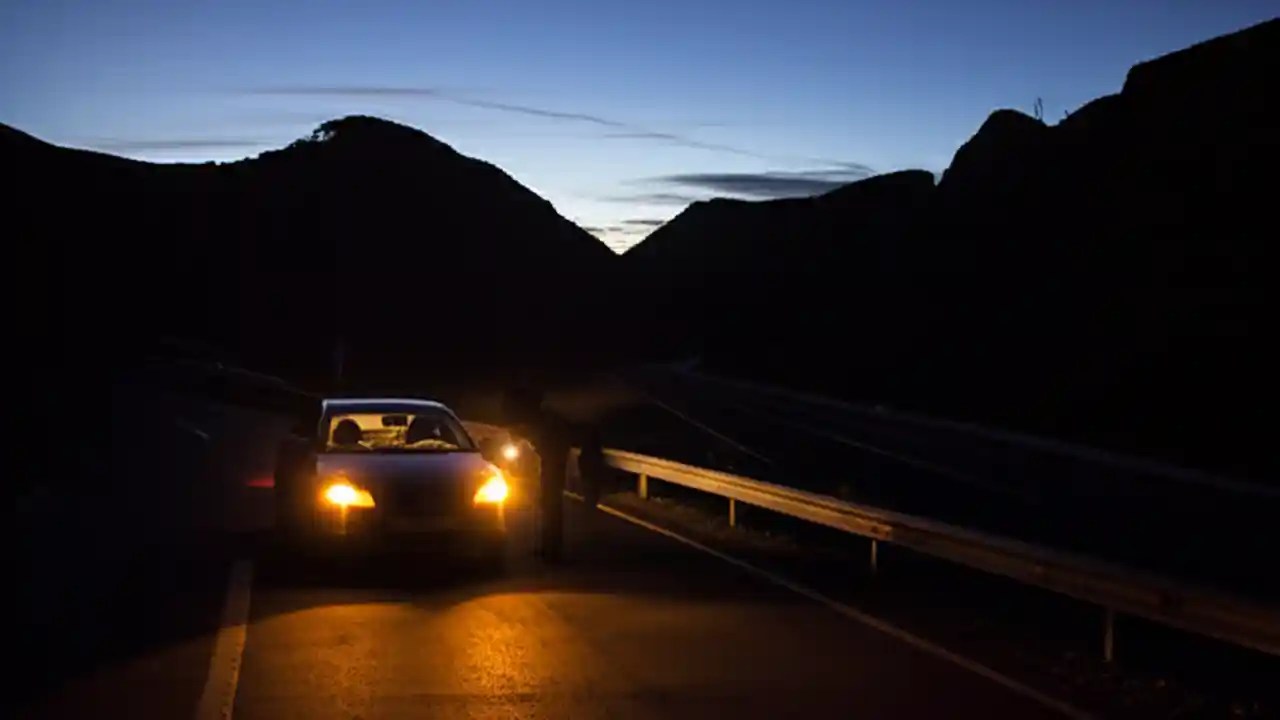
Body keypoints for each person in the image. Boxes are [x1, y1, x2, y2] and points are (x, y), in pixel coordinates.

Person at [503, 385, 573, 562]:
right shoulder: (547, 420)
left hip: (553, 466)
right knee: (548, 505)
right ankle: (549, 546)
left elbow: (547, 445)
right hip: (550, 465)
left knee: (550, 504)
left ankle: (552, 549)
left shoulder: (546, 423)